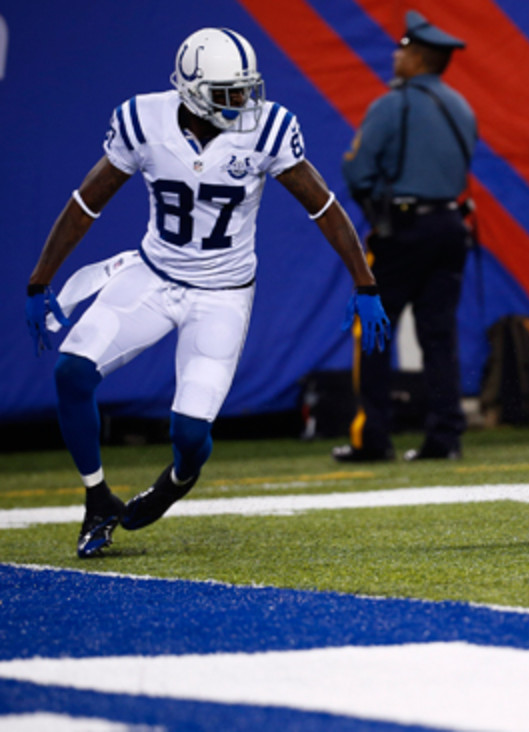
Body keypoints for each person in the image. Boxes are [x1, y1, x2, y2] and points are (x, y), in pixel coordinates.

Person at [23, 28, 390, 558]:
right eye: (229, 92)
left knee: (190, 435)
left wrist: (365, 282)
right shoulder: (142, 121)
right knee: (71, 372)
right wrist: (41, 279)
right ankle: (97, 497)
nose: (243, 102)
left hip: (222, 292)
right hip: (153, 274)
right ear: (192, 91)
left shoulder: (267, 130)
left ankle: (178, 478)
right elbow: (86, 203)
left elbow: (324, 206)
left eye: (246, 89)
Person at [333, 10, 477, 463]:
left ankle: (373, 438)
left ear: (417, 57)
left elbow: (356, 168)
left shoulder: (394, 104)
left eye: (402, 48)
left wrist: (378, 202)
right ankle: (445, 438)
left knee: (373, 325)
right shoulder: (461, 106)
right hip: (451, 227)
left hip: (402, 230)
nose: (395, 55)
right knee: (440, 336)